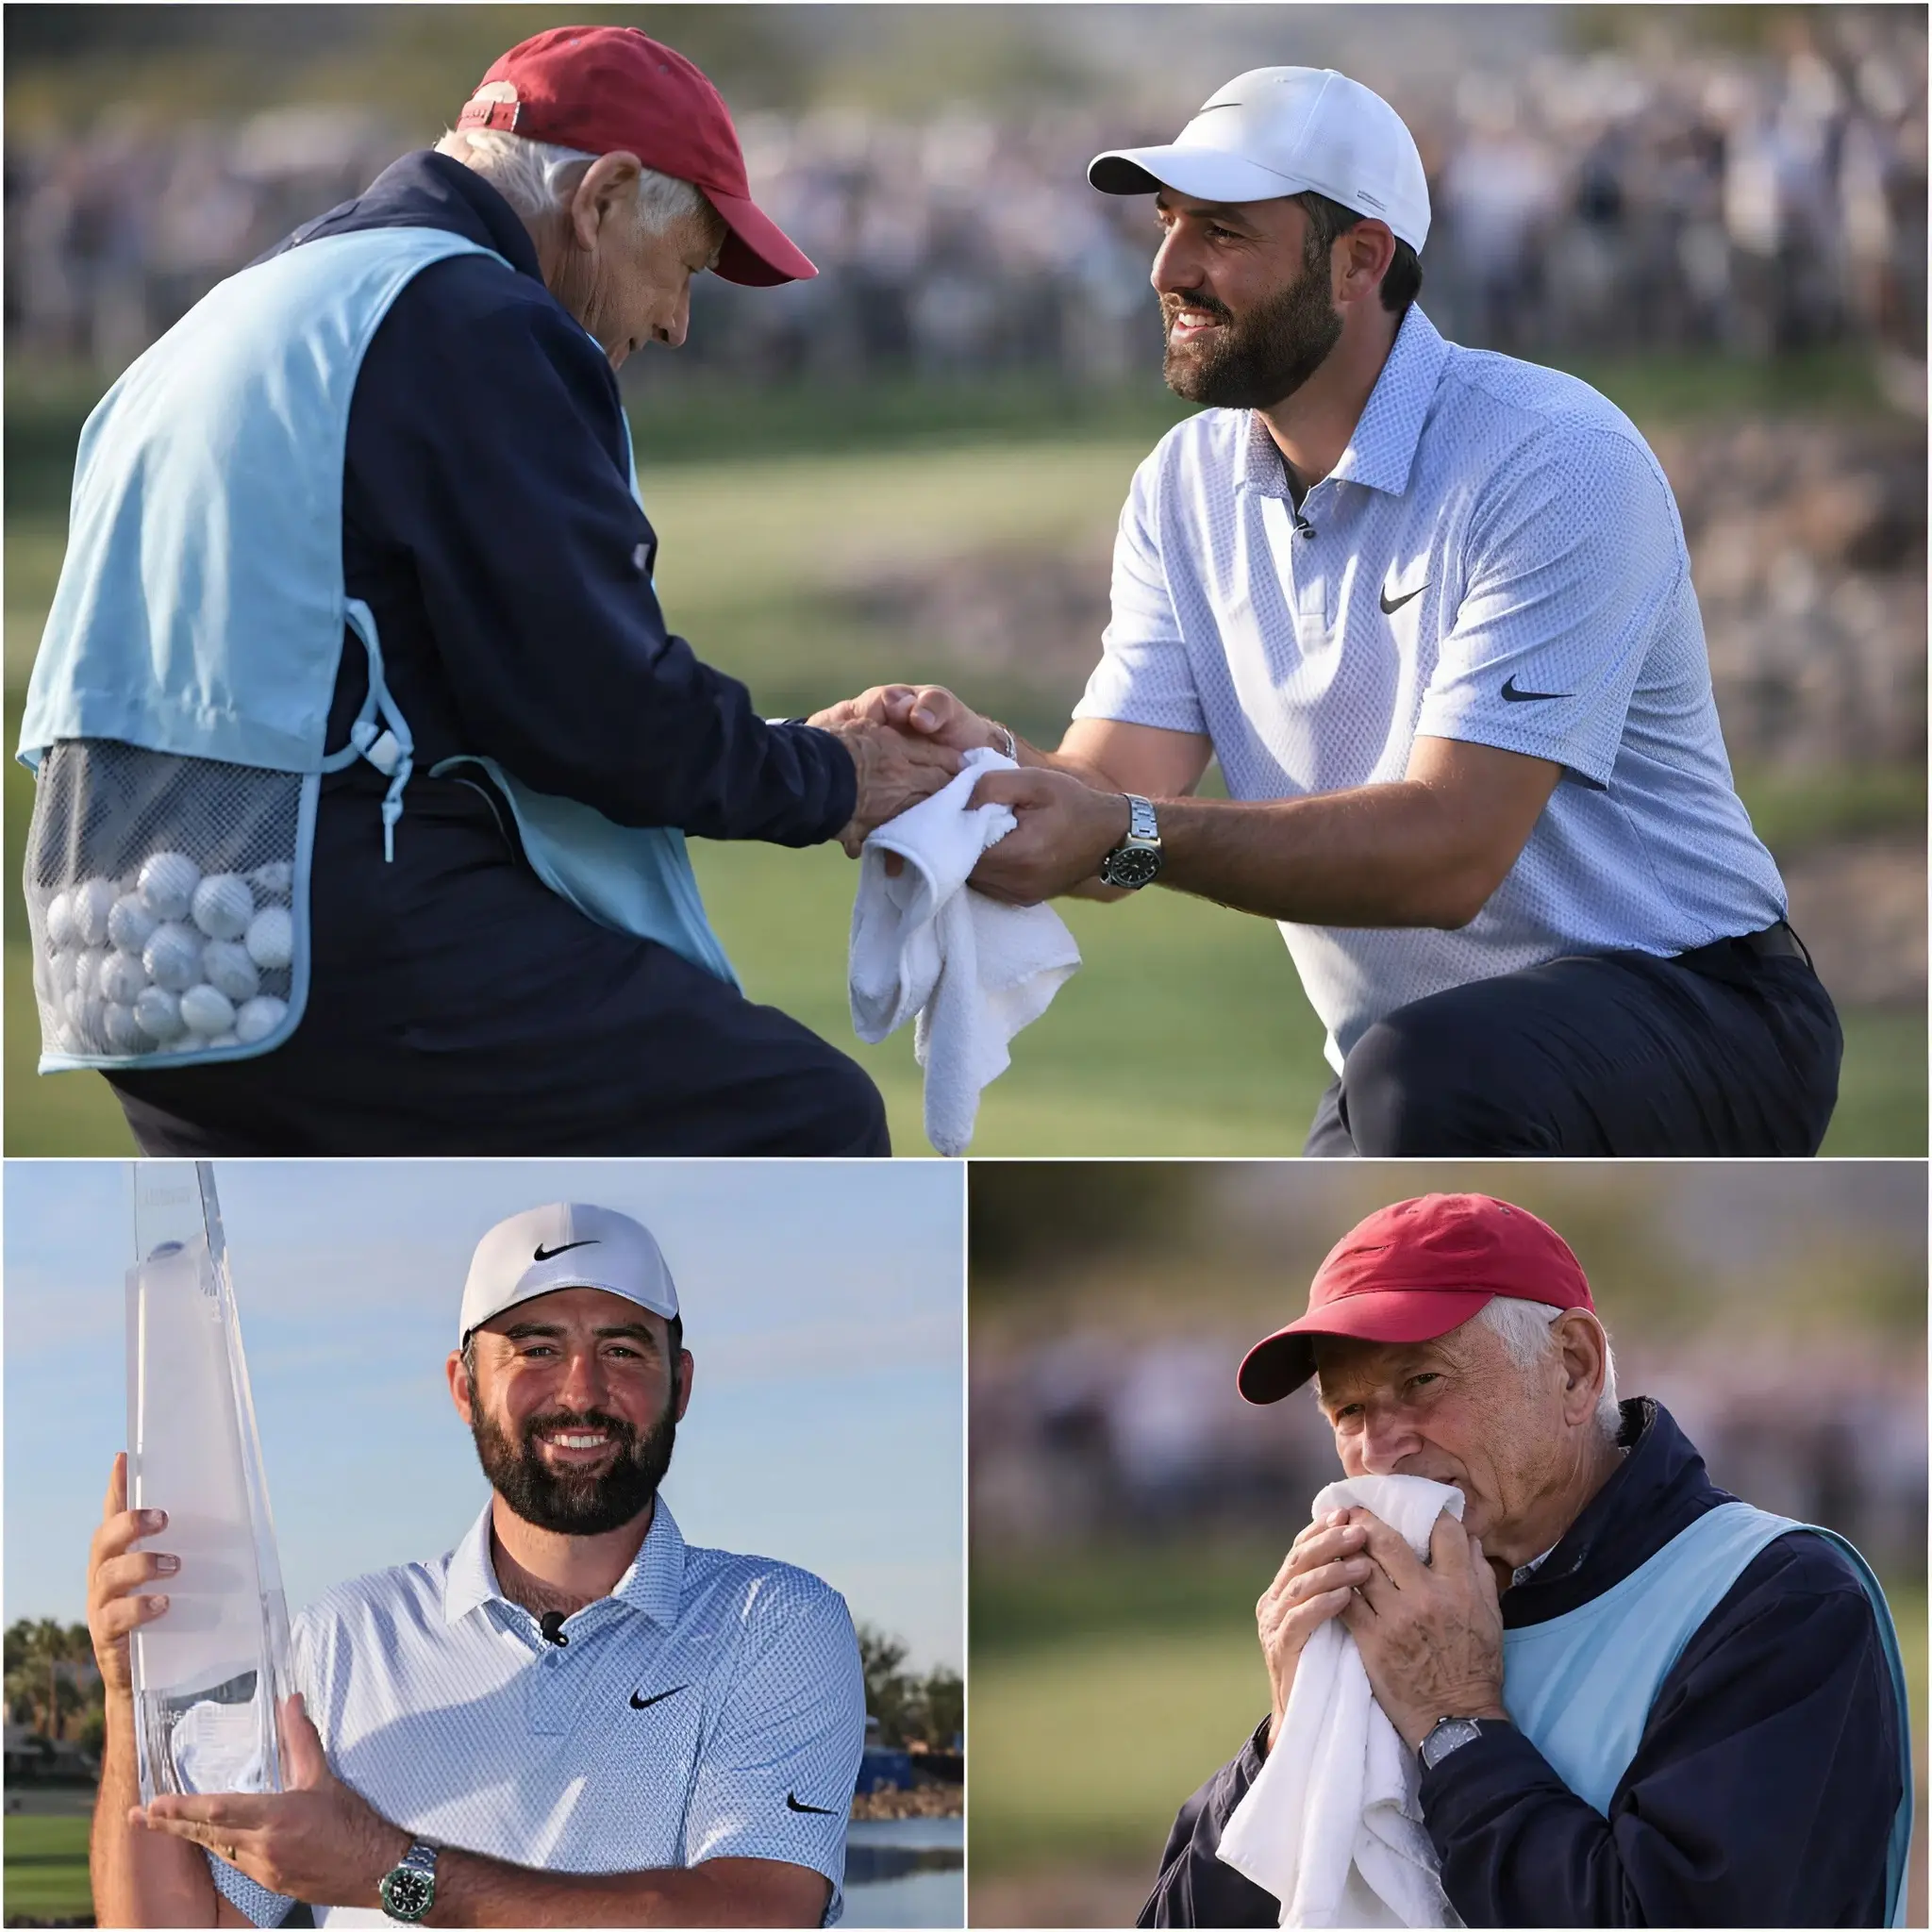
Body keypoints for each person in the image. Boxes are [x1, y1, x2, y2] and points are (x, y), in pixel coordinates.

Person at [817, 66, 1842, 1157]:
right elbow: (1111, 794)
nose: (1166, 268)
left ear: (1357, 260)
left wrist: (1126, 834)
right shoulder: (1182, 485)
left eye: (1220, 231)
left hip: (1703, 1011)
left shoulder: (1551, 455)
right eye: (1166, 225)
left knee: (1410, 1077)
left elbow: (1448, 851)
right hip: (1427, 1061)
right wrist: (975, 767)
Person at [21, 26, 957, 1158]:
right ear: (602, 197)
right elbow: (593, 710)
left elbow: (402, 679)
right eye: (686, 268)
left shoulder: (247, 309)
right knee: (802, 1117)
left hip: (117, 951)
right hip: (311, 936)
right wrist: (829, 777)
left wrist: (784, 745)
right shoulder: (470, 316)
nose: (675, 321)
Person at [1139, 1192, 1909, 1928]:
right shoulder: (1388, 1611)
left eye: (1422, 1381)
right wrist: (1287, 1739)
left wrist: (1455, 1725)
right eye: (1349, 1410)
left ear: (1572, 1366)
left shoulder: (1779, 1599)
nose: (1378, 1449)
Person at [86, 1203, 867, 1927]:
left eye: (623, 1350)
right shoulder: (346, 1636)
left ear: (681, 1385)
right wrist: (131, 1694)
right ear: (465, 1387)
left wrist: (389, 1870)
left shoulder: (774, 1620)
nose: (583, 1391)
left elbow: (757, 1914)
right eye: (536, 1349)